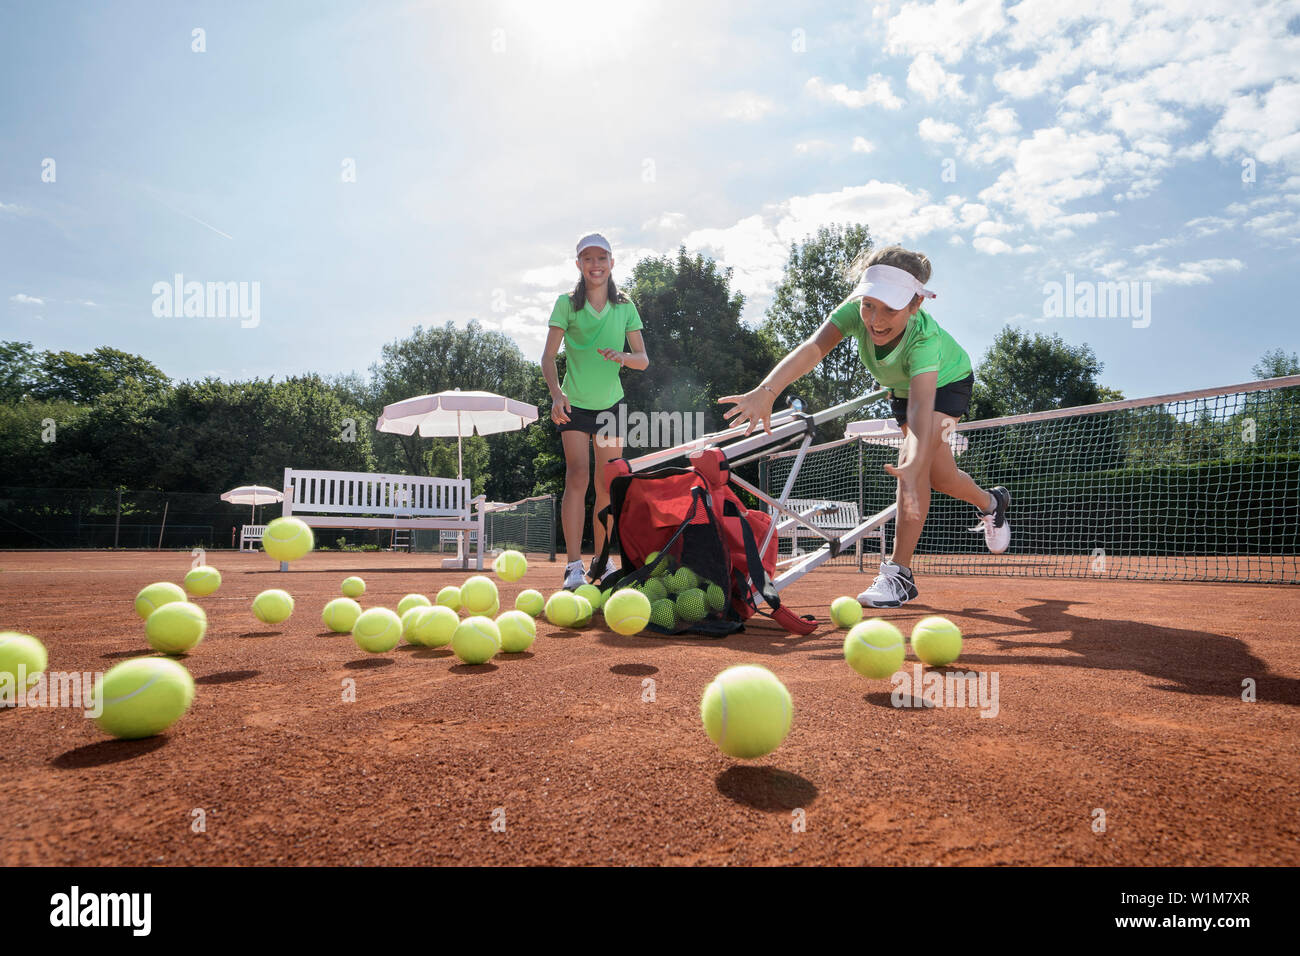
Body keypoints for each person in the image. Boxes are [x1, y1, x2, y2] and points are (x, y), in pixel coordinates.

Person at [718, 244, 1010, 608]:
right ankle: (992, 502)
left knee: (915, 469)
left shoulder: (925, 341)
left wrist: (914, 456)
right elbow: (813, 349)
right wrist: (767, 391)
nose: (875, 319)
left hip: (946, 384)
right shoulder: (856, 311)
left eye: (891, 308)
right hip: (902, 389)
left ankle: (899, 575)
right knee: (942, 477)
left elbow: (922, 406)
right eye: (869, 305)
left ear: (915, 305)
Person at [542, 233, 649, 590]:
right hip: (573, 404)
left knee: (608, 485)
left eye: (601, 258)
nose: (595, 265)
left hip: (611, 406)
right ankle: (573, 567)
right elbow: (548, 357)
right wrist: (556, 395)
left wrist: (624, 357)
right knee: (577, 477)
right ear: (579, 265)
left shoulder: (626, 307)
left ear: (612, 263)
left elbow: (643, 360)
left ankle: (601, 564)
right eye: (587, 259)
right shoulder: (566, 305)